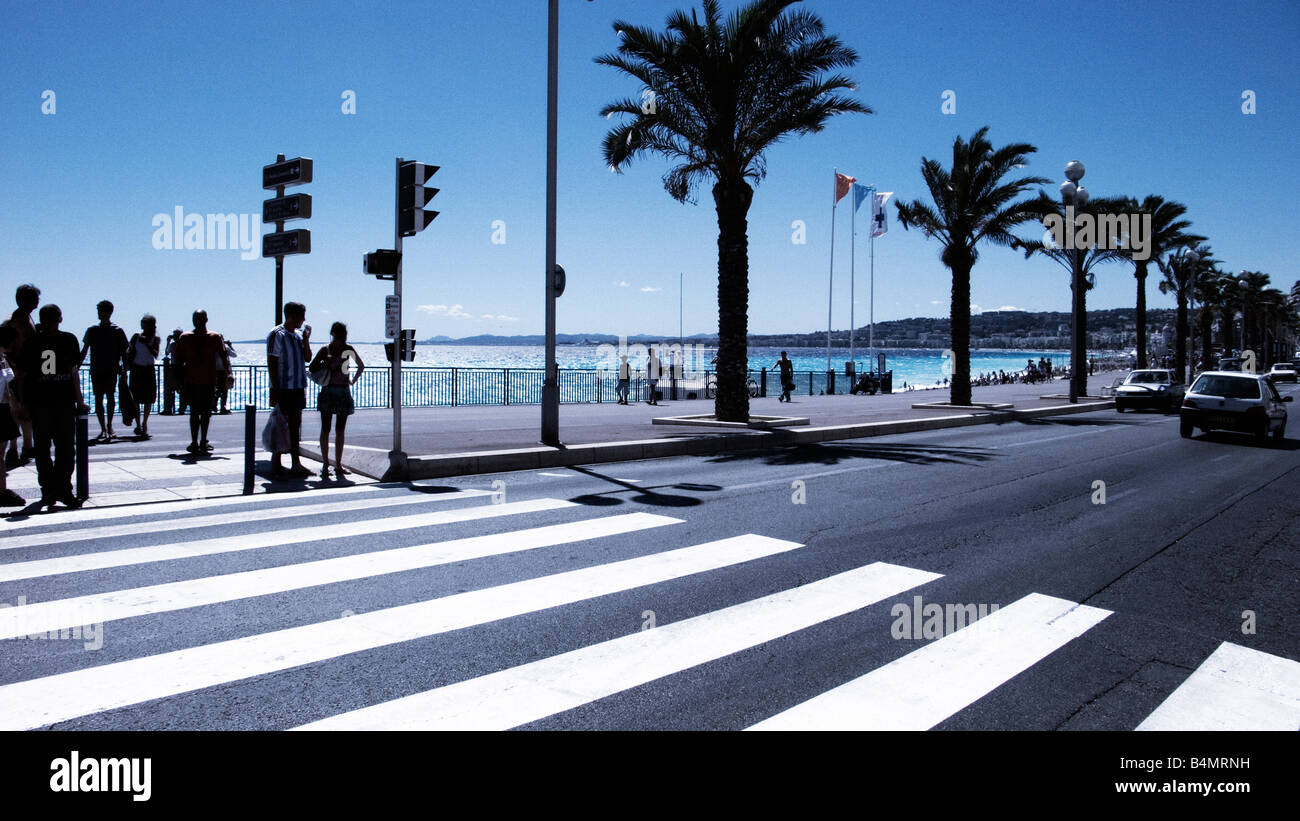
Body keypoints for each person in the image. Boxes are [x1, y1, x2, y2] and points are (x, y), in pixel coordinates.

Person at [19, 304, 85, 509]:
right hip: (53, 403)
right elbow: (73, 372)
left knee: (49, 449)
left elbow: (23, 377)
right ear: (60, 319)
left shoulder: (33, 343)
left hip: (48, 402)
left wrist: (23, 403)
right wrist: (79, 399)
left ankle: (53, 490)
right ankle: (58, 490)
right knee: (58, 449)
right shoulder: (67, 340)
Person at [309, 322, 363, 480]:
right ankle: (330, 464)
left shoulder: (333, 349)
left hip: (334, 390)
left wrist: (352, 380)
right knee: (333, 429)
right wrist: (351, 379)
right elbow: (312, 367)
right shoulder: (334, 349)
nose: (342, 336)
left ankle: (332, 464)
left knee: (333, 429)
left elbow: (361, 366)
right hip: (337, 390)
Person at [267, 301, 313, 478]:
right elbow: (272, 362)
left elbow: (307, 358)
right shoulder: (276, 334)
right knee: (280, 425)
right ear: (293, 315)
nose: (304, 319)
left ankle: (296, 463)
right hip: (284, 386)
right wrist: (275, 389)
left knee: (295, 426)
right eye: (302, 315)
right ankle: (276, 462)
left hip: (298, 385)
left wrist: (307, 340)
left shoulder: (299, 336)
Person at [173, 309, 224, 453]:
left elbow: (223, 357)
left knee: (206, 413)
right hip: (191, 381)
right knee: (194, 413)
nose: (198, 321)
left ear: (206, 319)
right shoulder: (185, 337)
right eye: (195, 318)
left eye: (200, 318)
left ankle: (203, 440)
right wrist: (177, 381)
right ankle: (195, 441)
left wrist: (227, 376)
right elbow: (178, 361)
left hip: (209, 381)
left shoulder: (215, 337)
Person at [3, 283, 40, 468]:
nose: (37, 302)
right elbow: (8, 350)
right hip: (20, 374)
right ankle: (16, 447)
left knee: (24, 412)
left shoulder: (27, 318)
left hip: (25, 373)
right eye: (35, 298)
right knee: (19, 411)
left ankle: (25, 446)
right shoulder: (16, 321)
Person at [80, 300, 129, 441]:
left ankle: (109, 425)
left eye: (101, 310)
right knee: (99, 398)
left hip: (111, 369)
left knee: (110, 397)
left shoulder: (117, 330)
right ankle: (103, 427)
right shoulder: (92, 330)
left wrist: (125, 370)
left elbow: (124, 352)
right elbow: (85, 350)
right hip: (97, 369)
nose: (99, 313)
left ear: (108, 312)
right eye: (98, 310)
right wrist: (77, 366)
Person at [0, 325, 24, 506]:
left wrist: (15, 406)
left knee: (1, 452)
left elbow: (9, 386)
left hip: (4, 409)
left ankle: (2, 489)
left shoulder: (3, 359)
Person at [128, 314, 161, 438]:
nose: (143, 325)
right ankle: (137, 424)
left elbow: (156, 354)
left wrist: (147, 343)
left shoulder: (155, 338)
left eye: (145, 323)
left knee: (148, 399)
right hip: (137, 369)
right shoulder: (136, 336)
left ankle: (145, 423)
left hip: (148, 369)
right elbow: (129, 350)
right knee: (135, 397)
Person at [215, 335, 236, 414]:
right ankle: (222, 407)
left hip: (215, 371)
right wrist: (230, 345)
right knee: (224, 390)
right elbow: (234, 355)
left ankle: (214, 405)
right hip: (224, 371)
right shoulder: (226, 348)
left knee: (217, 390)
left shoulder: (213, 348)